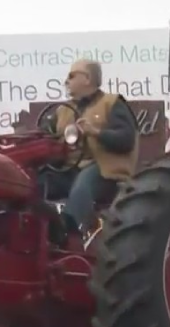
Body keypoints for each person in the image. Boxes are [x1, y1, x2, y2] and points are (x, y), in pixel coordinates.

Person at [44, 59, 140, 235]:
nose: (66, 81)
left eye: (72, 76)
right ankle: (40, 227)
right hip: (70, 170)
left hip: (105, 172)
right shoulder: (63, 111)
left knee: (84, 183)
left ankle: (68, 231)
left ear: (87, 78)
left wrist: (95, 131)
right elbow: (43, 135)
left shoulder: (111, 103)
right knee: (37, 181)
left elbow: (127, 140)